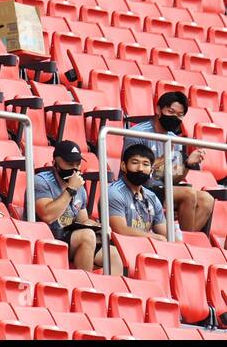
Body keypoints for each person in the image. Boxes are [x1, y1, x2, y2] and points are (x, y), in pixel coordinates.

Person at [124, 91, 215, 234]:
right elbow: (131, 171)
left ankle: (184, 241)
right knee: (189, 194)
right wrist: (159, 162)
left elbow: (173, 178)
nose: (175, 118)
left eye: (180, 115)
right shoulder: (138, 133)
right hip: (137, 188)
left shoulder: (174, 140)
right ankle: (181, 246)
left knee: (206, 199)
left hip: (162, 189)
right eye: (171, 112)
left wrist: (187, 165)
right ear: (158, 110)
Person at [34, 140, 119, 273]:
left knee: (113, 253)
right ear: (55, 162)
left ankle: (106, 292)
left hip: (68, 236)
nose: (74, 169)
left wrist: (98, 226)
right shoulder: (41, 181)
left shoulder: (79, 188)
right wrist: (71, 189)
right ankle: (83, 288)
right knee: (87, 236)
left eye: (77, 164)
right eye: (69, 164)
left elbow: (82, 220)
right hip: (46, 236)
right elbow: (47, 216)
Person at [108, 143, 169, 239]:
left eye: (145, 164)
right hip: (116, 248)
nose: (140, 169)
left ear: (151, 170)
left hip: (145, 249)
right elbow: (120, 230)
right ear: (123, 166)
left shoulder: (152, 197)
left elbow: (166, 234)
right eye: (135, 163)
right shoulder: (114, 192)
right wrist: (156, 238)